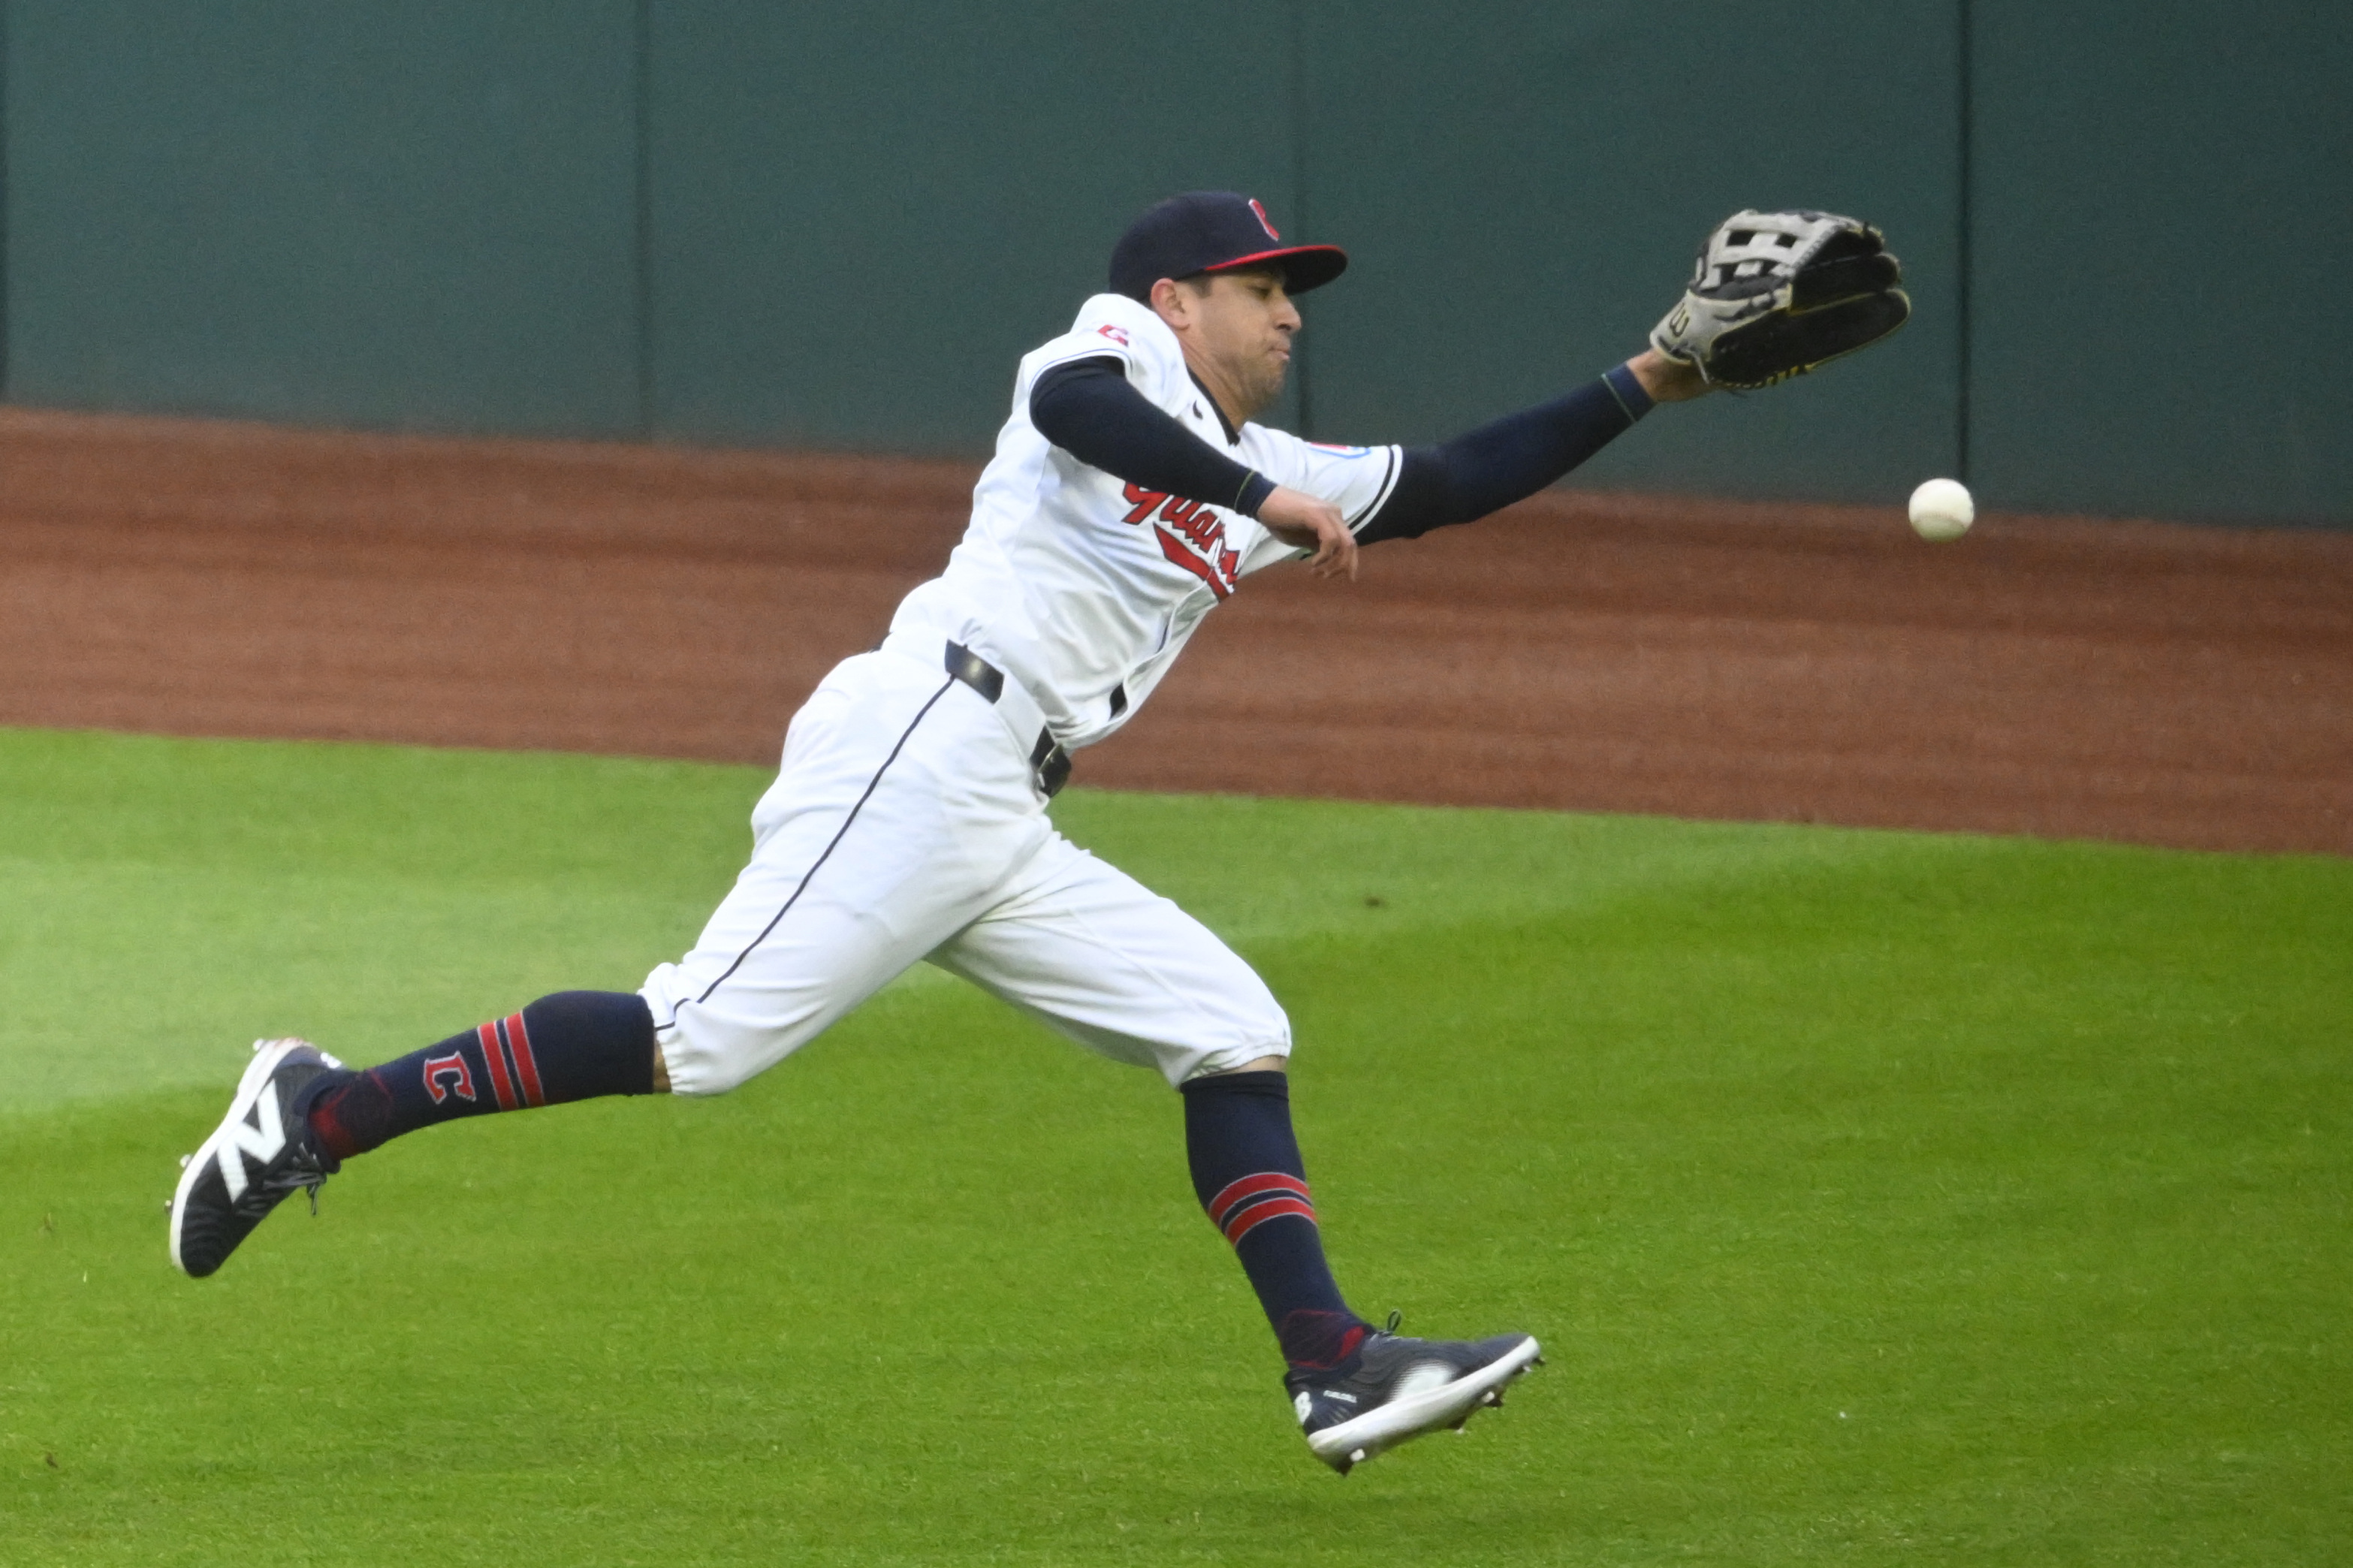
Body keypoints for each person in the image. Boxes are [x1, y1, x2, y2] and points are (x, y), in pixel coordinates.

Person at [169, 189, 1715, 1475]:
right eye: (1261, 287)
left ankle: (1333, 1365)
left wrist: (1653, 375)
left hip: (1002, 809)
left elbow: (1448, 482)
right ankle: (315, 1113)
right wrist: (1253, 489)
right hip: (926, 739)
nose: (1290, 313)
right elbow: (1073, 408)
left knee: (1225, 1025)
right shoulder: (1118, 352)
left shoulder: (1281, 472)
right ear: (1177, 300)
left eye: (1291, 292)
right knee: (694, 1037)